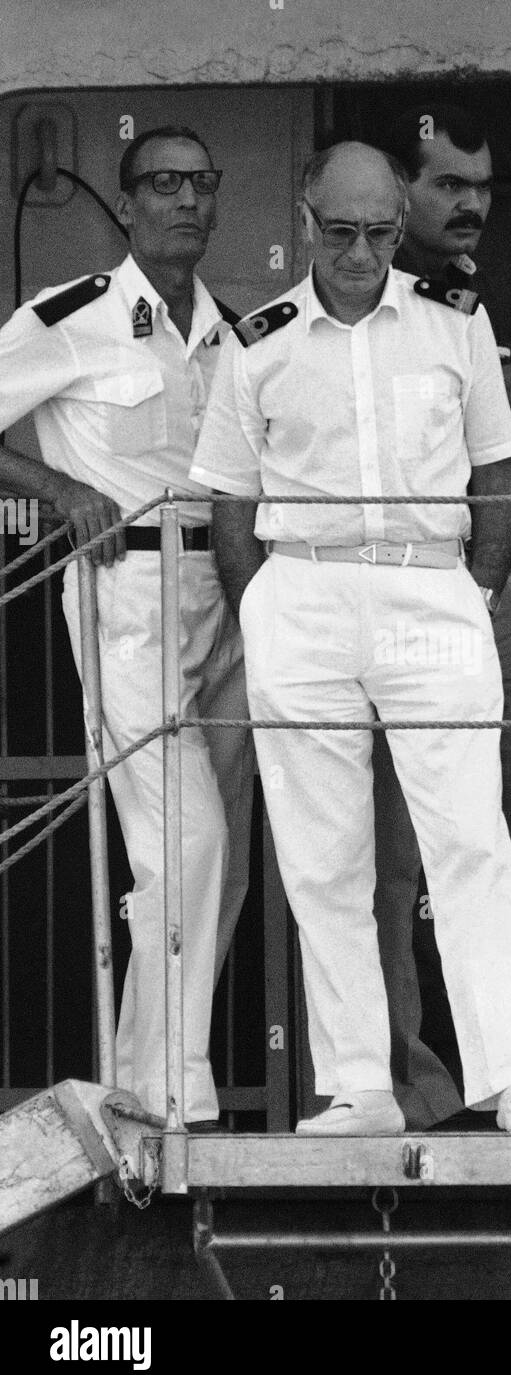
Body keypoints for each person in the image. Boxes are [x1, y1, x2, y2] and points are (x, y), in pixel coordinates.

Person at [191, 141, 511, 1137]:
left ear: (400, 228)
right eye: (342, 231)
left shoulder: (453, 328)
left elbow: (495, 475)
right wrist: (264, 614)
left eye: (380, 233)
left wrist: (471, 594)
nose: (360, 252)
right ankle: (359, 1086)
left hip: (427, 590)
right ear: (305, 221)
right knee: (323, 858)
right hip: (301, 594)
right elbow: (231, 502)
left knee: (469, 840)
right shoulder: (257, 340)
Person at [0, 126, 254, 1128]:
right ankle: (174, 1087)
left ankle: (148, 1073)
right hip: (127, 594)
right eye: (164, 184)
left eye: (201, 183)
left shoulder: (233, 332)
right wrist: (60, 489)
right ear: (128, 197)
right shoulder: (73, 319)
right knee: (189, 841)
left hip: (228, 593)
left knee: (213, 858)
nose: (184, 200)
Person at [368, 104, 511, 1126]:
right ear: (394, 194)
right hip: (399, 601)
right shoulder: (355, 299)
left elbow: (492, 457)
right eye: (450, 184)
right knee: (395, 861)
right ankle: (410, 1082)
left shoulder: (467, 302)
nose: (473, 205)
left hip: (490, 592)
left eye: (482, 187)